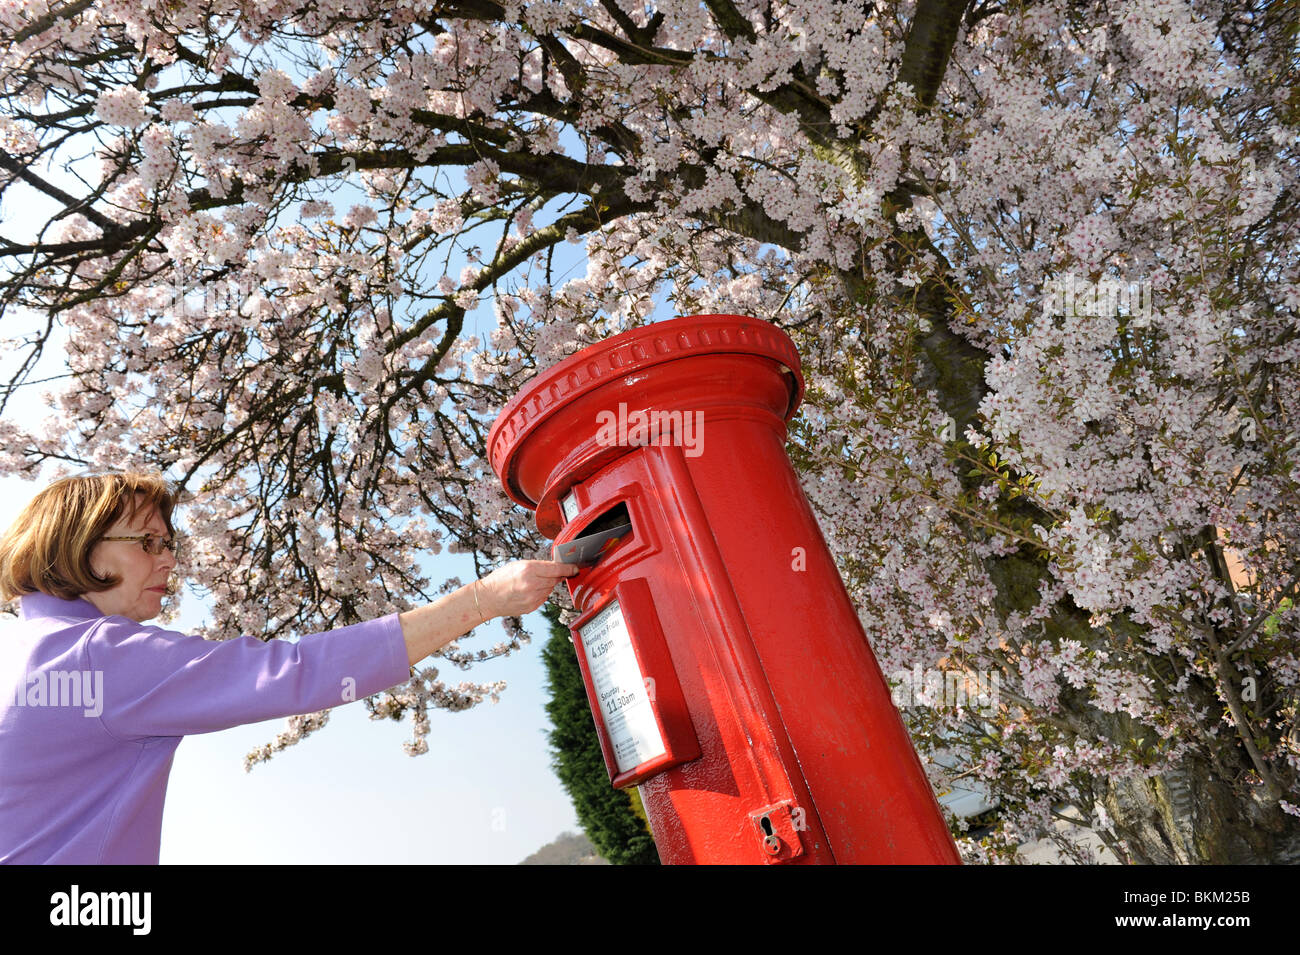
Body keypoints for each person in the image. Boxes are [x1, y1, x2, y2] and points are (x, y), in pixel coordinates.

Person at [0, 470, 578, 864]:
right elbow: (296, 670)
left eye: (168, 542)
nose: (170, 559)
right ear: (80, 545)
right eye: (147, 542)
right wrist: (482, 600)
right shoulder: (98, 655)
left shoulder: (25, 652)